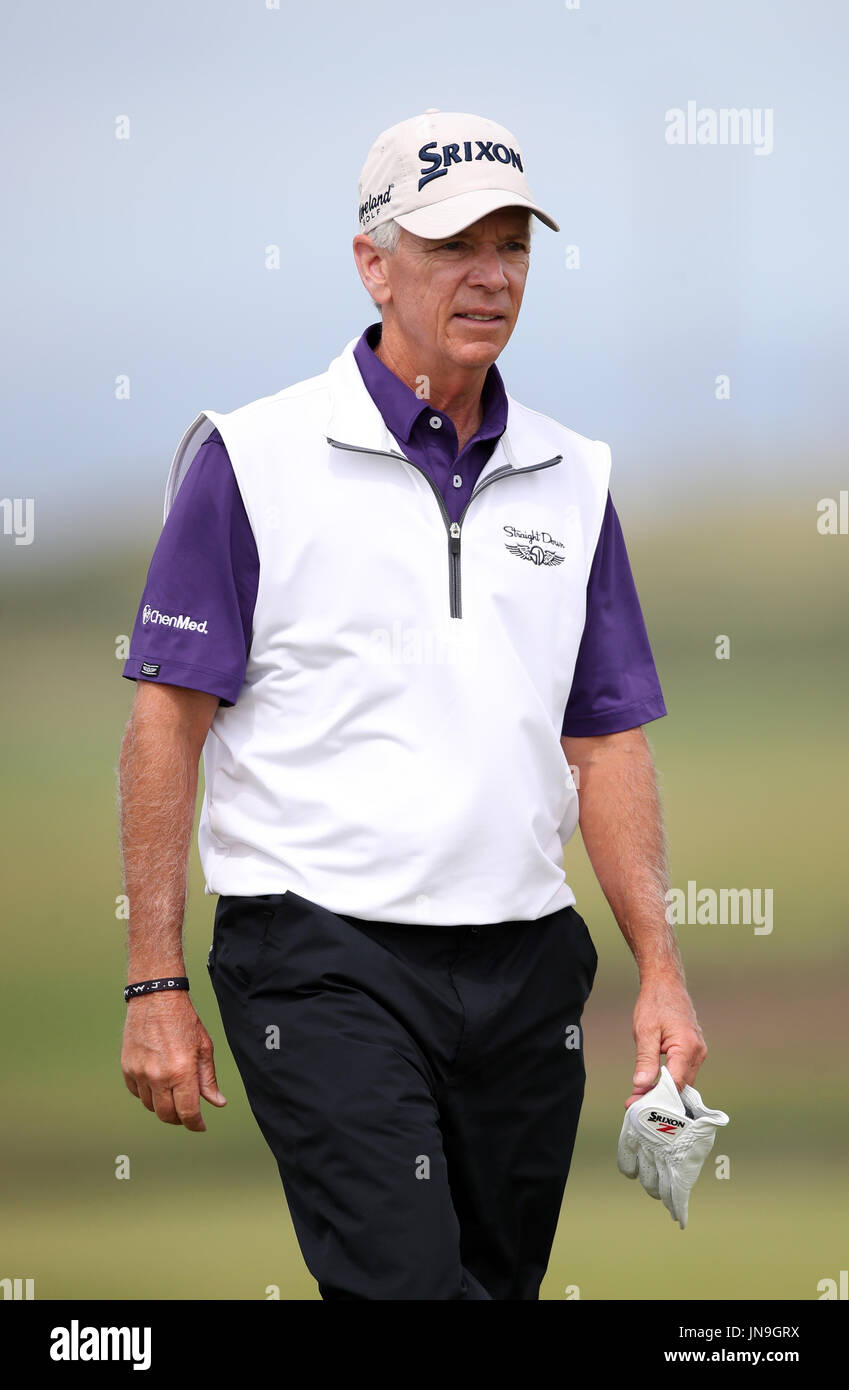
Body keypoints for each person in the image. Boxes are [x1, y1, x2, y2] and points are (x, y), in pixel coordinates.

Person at [117, 109, 707, 1301]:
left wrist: (660, 966)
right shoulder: (255, 456)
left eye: (513, 246)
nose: (490, 277)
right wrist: (153, 979)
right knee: (403, 1284)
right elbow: (164, 724)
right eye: (453, 246)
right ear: (373, 261)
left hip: (524, 961)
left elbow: (605, 739)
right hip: (319, 957)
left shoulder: (573, 472)